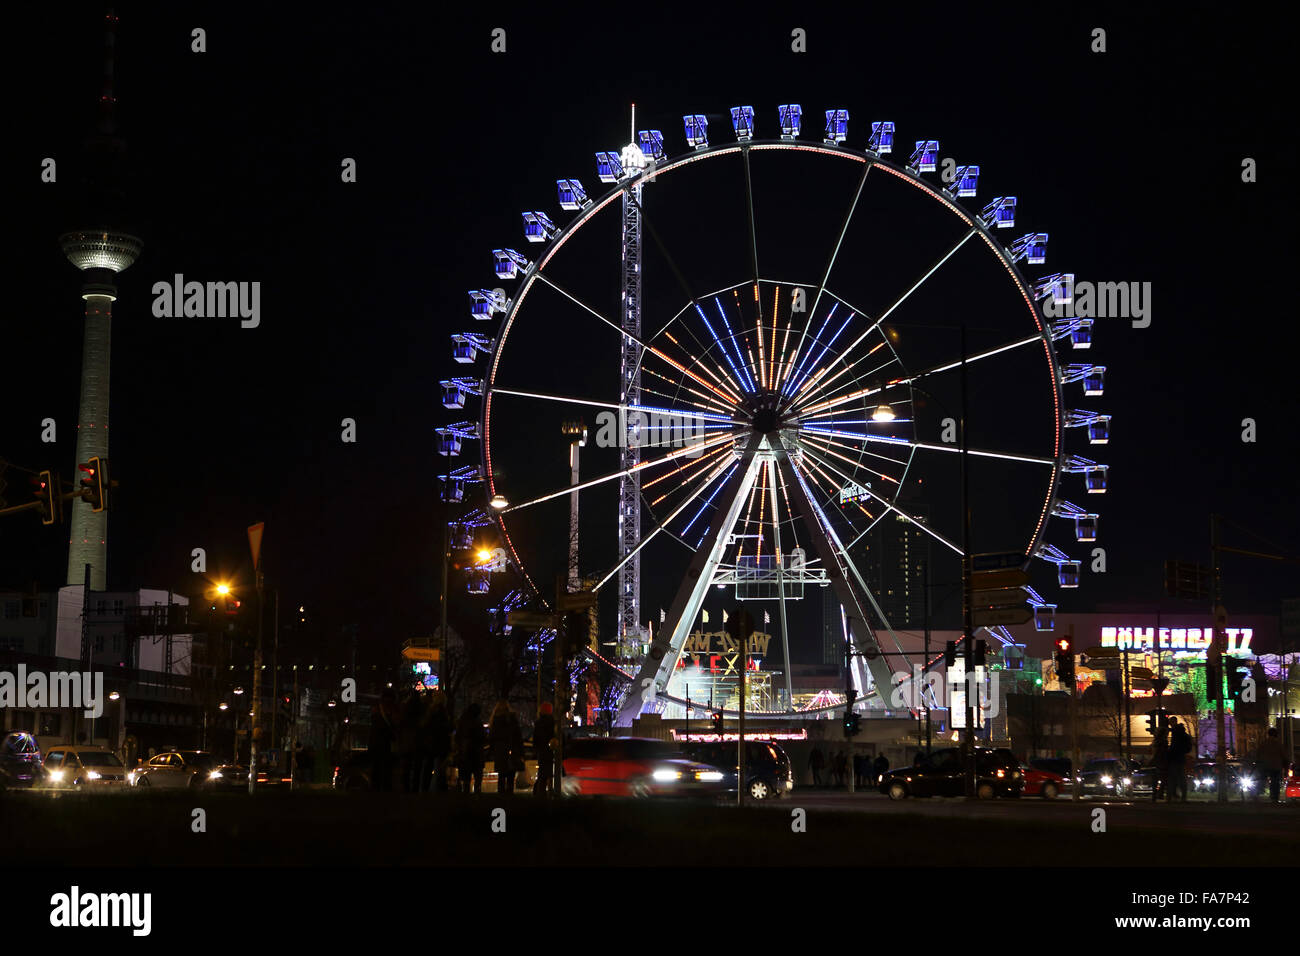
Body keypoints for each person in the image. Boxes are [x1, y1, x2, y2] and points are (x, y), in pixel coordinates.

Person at [368, 689, 400, 791]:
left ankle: (375, 788)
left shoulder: (377, 709)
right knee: (386, 768)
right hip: (386, 744)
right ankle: (386, 788)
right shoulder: (392, 710)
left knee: (376, 768)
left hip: (376, 743)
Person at [488, 699, 522, 795]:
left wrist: (492, 751)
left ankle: (501, 798)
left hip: (500, 752)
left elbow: (492, 738)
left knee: (501, 776)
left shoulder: (495, 721)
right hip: (512, 750)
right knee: (511, 776)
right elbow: (518, 737)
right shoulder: (512, 720)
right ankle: (510, 797)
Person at [423, 690, 452, 792]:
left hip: (431, 742)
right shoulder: (442, 712)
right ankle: (439, 788)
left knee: (429, 767)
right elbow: (443, 728)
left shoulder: (430, 711)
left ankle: (426, 787)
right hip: (440, 742)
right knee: (440, 768)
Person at [397, 691, 426, 792]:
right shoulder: (422, 708)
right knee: (417, 768)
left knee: (407, 767)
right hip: (418, 741)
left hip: (407, 740)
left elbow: (400, 725)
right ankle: (415, 788)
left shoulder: (405, 708)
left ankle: (406, 788)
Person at [454, 703, 486, 793]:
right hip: (476, 753)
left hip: (465, 753)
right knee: (477, 777)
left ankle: (466, 795)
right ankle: (476, 792)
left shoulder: (463, 722)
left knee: (466, 779)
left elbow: (457, 737)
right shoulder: (478, 722)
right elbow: (482, 738)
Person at [1256, 727, 1286, 803]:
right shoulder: (1278, 744)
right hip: (1276, 766)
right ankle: (1274, 797)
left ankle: (1257, 794)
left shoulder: (1263, 743)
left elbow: (1258, 754)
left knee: (1262, 780)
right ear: (1276, 735)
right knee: (1275, 781)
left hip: (1264, 765)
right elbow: (1283, 755)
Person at [532, 702, 556, 796]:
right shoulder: (552, 722)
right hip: (550, 751)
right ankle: (550, 791)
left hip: (542, 752)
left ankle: (540, 793)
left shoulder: (538, 723)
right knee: (549, 774)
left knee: (542, 774)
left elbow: (535, 740)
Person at [1167, 718, 1191, 802]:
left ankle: (1172, 796)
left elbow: (1174, 746)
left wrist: (1169, 753)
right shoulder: (1182, 733)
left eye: (1170, 723)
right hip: (1180, 757)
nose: (1170, 725)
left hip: (1175, 758)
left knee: (1172, 777)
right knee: (1181, 777)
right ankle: (1182, 796)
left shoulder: (1176, 732)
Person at [1150, 728, 1169, 802]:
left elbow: (1155, 752)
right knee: (1163, 779)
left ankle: (1155, 795)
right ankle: (1160, 794)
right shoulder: (1163, 741)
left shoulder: (1156, 741)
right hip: (1162, 762)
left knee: (1155, 779)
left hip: (1157, 762)